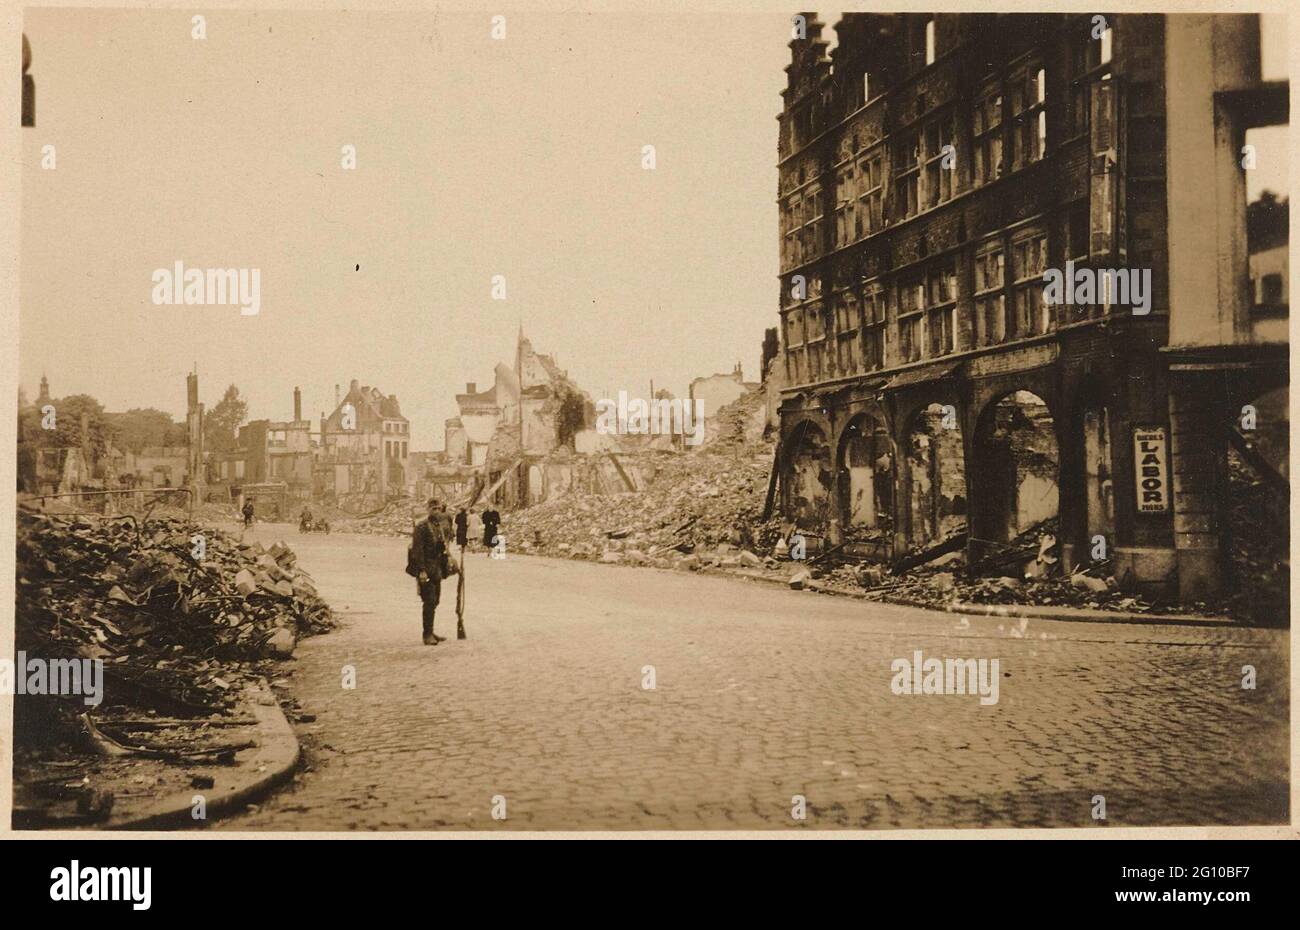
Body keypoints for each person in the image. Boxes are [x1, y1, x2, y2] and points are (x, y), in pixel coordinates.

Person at [412, 497, 452, 645]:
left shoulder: (439, 526)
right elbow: (417, 551)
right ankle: (426, 634)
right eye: (433, 509)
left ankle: (431, 630)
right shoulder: (421, 527)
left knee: (436, 600)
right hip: (426, 568)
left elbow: (442, 547)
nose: (436, 511)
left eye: (438, 508)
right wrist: (421, 570)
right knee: (429, 601)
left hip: (437, 568)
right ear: (428, 509)